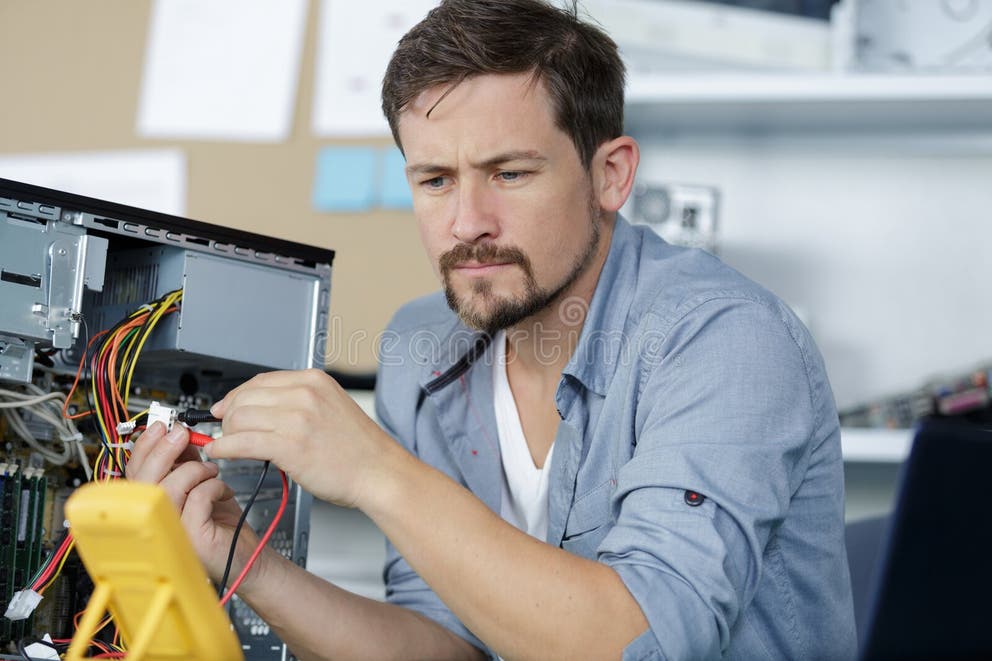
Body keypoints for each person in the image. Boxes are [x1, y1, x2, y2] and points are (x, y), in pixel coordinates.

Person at [126, 0, 857, 658]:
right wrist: (241, 558)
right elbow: (443, 647)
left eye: (509, 173)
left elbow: (645, 644)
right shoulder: (423, 348)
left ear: (611, 174)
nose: (467, 222)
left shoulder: (724, 340)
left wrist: (376, 469)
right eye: (435, 180)